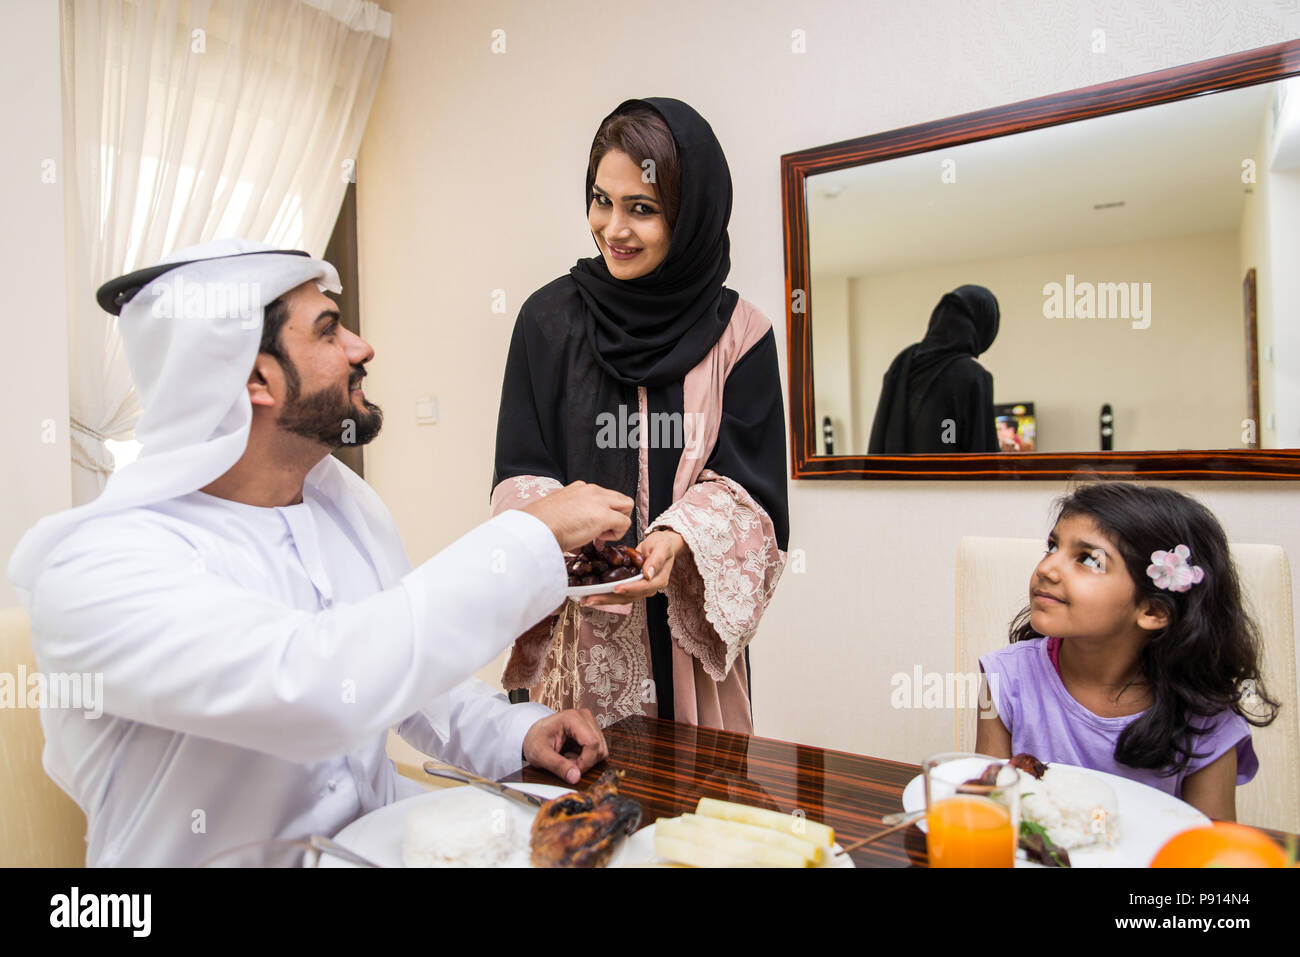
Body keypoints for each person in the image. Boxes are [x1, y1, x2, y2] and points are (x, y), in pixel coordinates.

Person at [7, 239, 633, 866]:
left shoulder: (342, 507)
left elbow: (397, 668)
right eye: (330, 332)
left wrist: (517, 729)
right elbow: (317, 686)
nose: (361, 348)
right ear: (255, 377)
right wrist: (530, 535)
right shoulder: (98, 570)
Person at [491, 98, 789, 733]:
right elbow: (519, 473)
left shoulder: (742, 335)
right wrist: (575, 538)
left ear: (690, 214)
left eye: (643, 209)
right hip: (576, 638)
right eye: (602, 200)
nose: (613, 228)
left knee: (692, 822)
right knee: (577, 816)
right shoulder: (547, 321)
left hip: (688, 645)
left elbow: (752, 497)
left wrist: (680, 541)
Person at [974, 483, 1279, 820]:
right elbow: (987, 815)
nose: (1046, 568)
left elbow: (1213, 851)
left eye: (1088, 559)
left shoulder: (1204, 717)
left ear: (1153, 610)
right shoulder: (1005, 678)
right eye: (1052, 547)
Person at [868, 285, 1000, 453]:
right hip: (945, 478)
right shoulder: (973, 375)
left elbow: (881, 436)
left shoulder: (903, 362)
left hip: (893, 477)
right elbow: (982, 455)